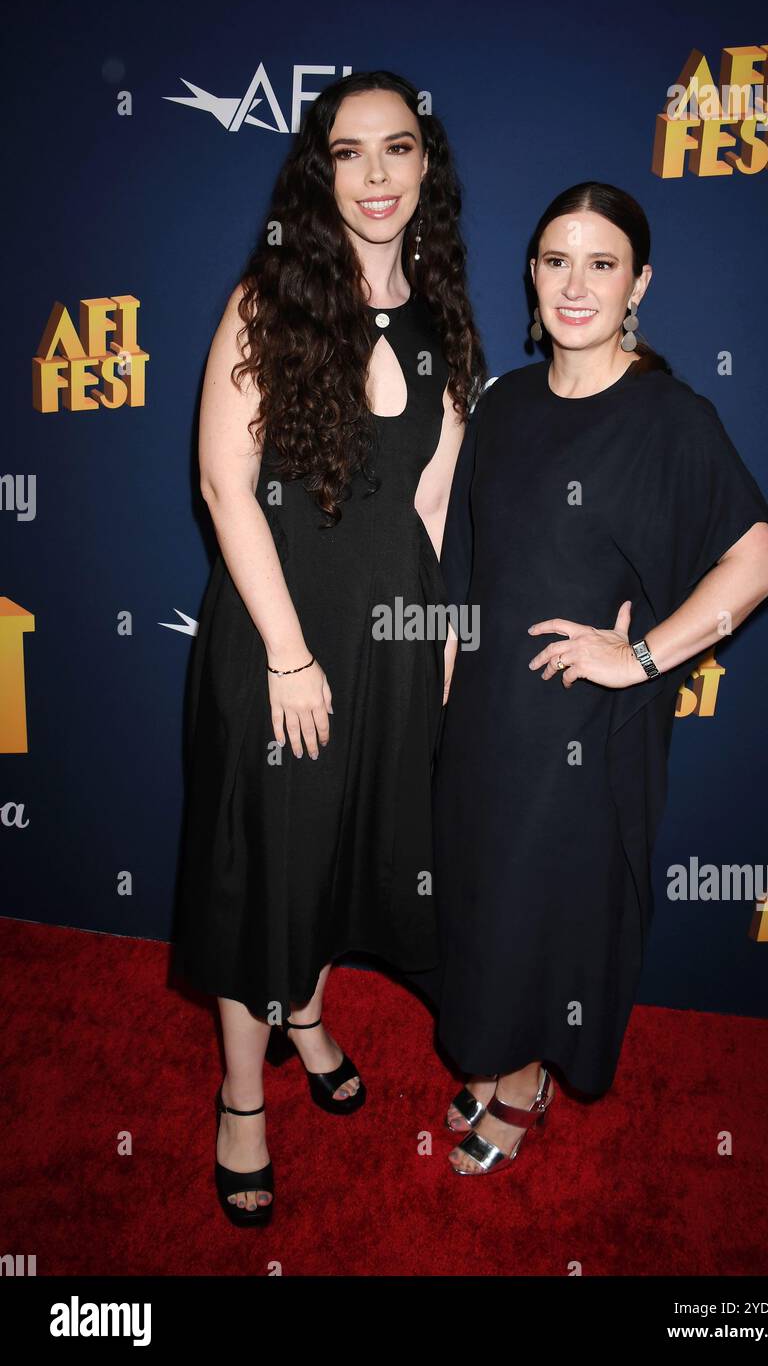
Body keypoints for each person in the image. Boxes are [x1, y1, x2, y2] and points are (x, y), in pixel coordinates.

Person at [409, 181, 768, 1176]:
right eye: (555, 260)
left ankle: (529, 1072)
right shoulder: (506, 405)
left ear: (639, 283)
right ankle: (489, 1051)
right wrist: (446, 684)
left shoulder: (671, 416)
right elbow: (465, 562)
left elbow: (759, 562)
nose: (576, 284)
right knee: (481, 889)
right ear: (532, 277)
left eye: (602, 262)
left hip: (581, 725)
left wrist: (643, 654)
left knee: (547, 900)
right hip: (486, 711)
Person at [170, 69, 486, 1223]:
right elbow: (223, 482)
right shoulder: (272, 298)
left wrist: (442, 635)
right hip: (278, 636)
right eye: (347, 154)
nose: (374, 176)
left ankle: (306, 1014)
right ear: (320, 173)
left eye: (395, 149)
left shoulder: (448, 319)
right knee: (268, 860)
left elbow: (439, 508)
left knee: (348, 848)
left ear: (424, 167)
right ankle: (241, 1092)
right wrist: (290, 655)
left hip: (391, 639)